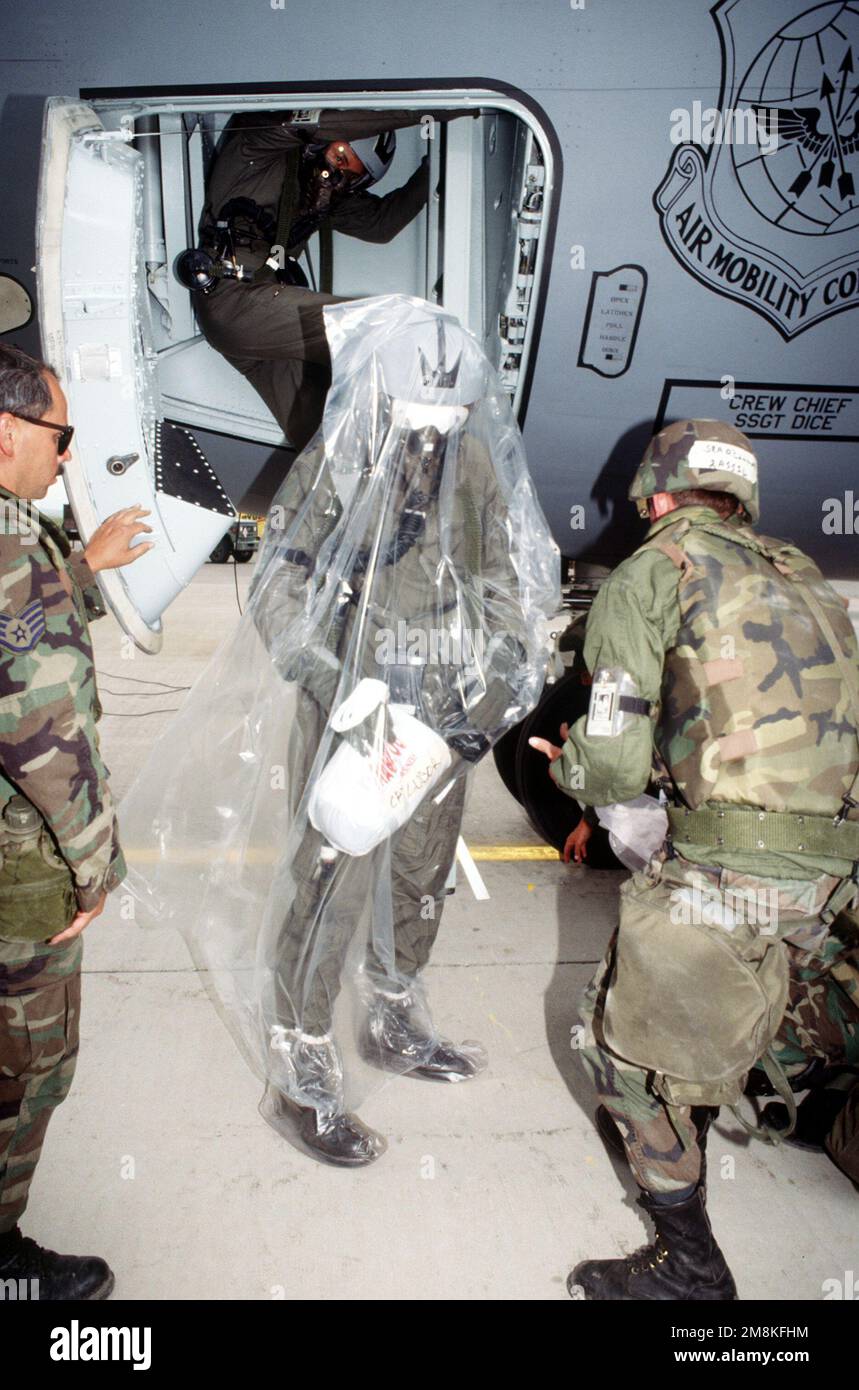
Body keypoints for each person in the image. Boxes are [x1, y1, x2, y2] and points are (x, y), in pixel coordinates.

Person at [120, 294, 559, 1169]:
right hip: (352, 710)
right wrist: (337, 686)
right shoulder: (337, 464)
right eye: (419, 419)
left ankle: (395, 1023)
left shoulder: (469, 459)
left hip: (438, 709)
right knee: (326, 891)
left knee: (421, 874)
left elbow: (505, 578)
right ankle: (302, 1083)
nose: (432, 437)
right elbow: (282, 592)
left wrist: (495, 687)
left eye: (450, 417)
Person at [531, 418, 859, 1300]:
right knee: (782, 999)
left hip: (736, 872)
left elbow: (609, 762)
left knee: (626, 1054)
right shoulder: (805, 576)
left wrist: (568, 762)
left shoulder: (649, 574)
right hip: (839, 871)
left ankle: (689, 1269)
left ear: (656, 497)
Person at [0, 344, 152, 1300]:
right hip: (17, 880)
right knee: (25, 1075)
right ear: (8, 430)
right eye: (58, 436)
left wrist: (81, 572)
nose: (66, 456)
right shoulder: (13, 550)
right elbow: (43, 735)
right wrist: (98, 869)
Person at [192, 109, 444, 453]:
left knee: (335, 441)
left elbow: (382, 224)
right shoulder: (258, 147)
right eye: (339, 155)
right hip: (234, 299)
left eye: (345, 174)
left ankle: (384, 489)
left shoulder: (321, 200)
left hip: (253, 334)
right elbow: (319, 124)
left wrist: (436, 169)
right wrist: (444, 106)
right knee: (387, 327)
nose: (333, 173)